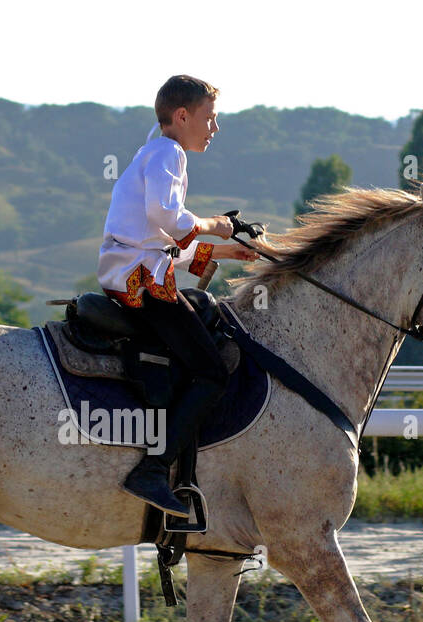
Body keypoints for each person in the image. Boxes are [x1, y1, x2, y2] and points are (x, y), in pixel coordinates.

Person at [97, 74, 259, 518]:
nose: (215, 127)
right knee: (212, 371)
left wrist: (227, 251)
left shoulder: (153, 152)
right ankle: (153, 469)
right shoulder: (168, 152)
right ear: (182, 116)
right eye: (210, 117)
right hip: (142, 280)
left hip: (136, 270)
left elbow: (164, 241)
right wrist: (214, 225)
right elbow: (167, 217)